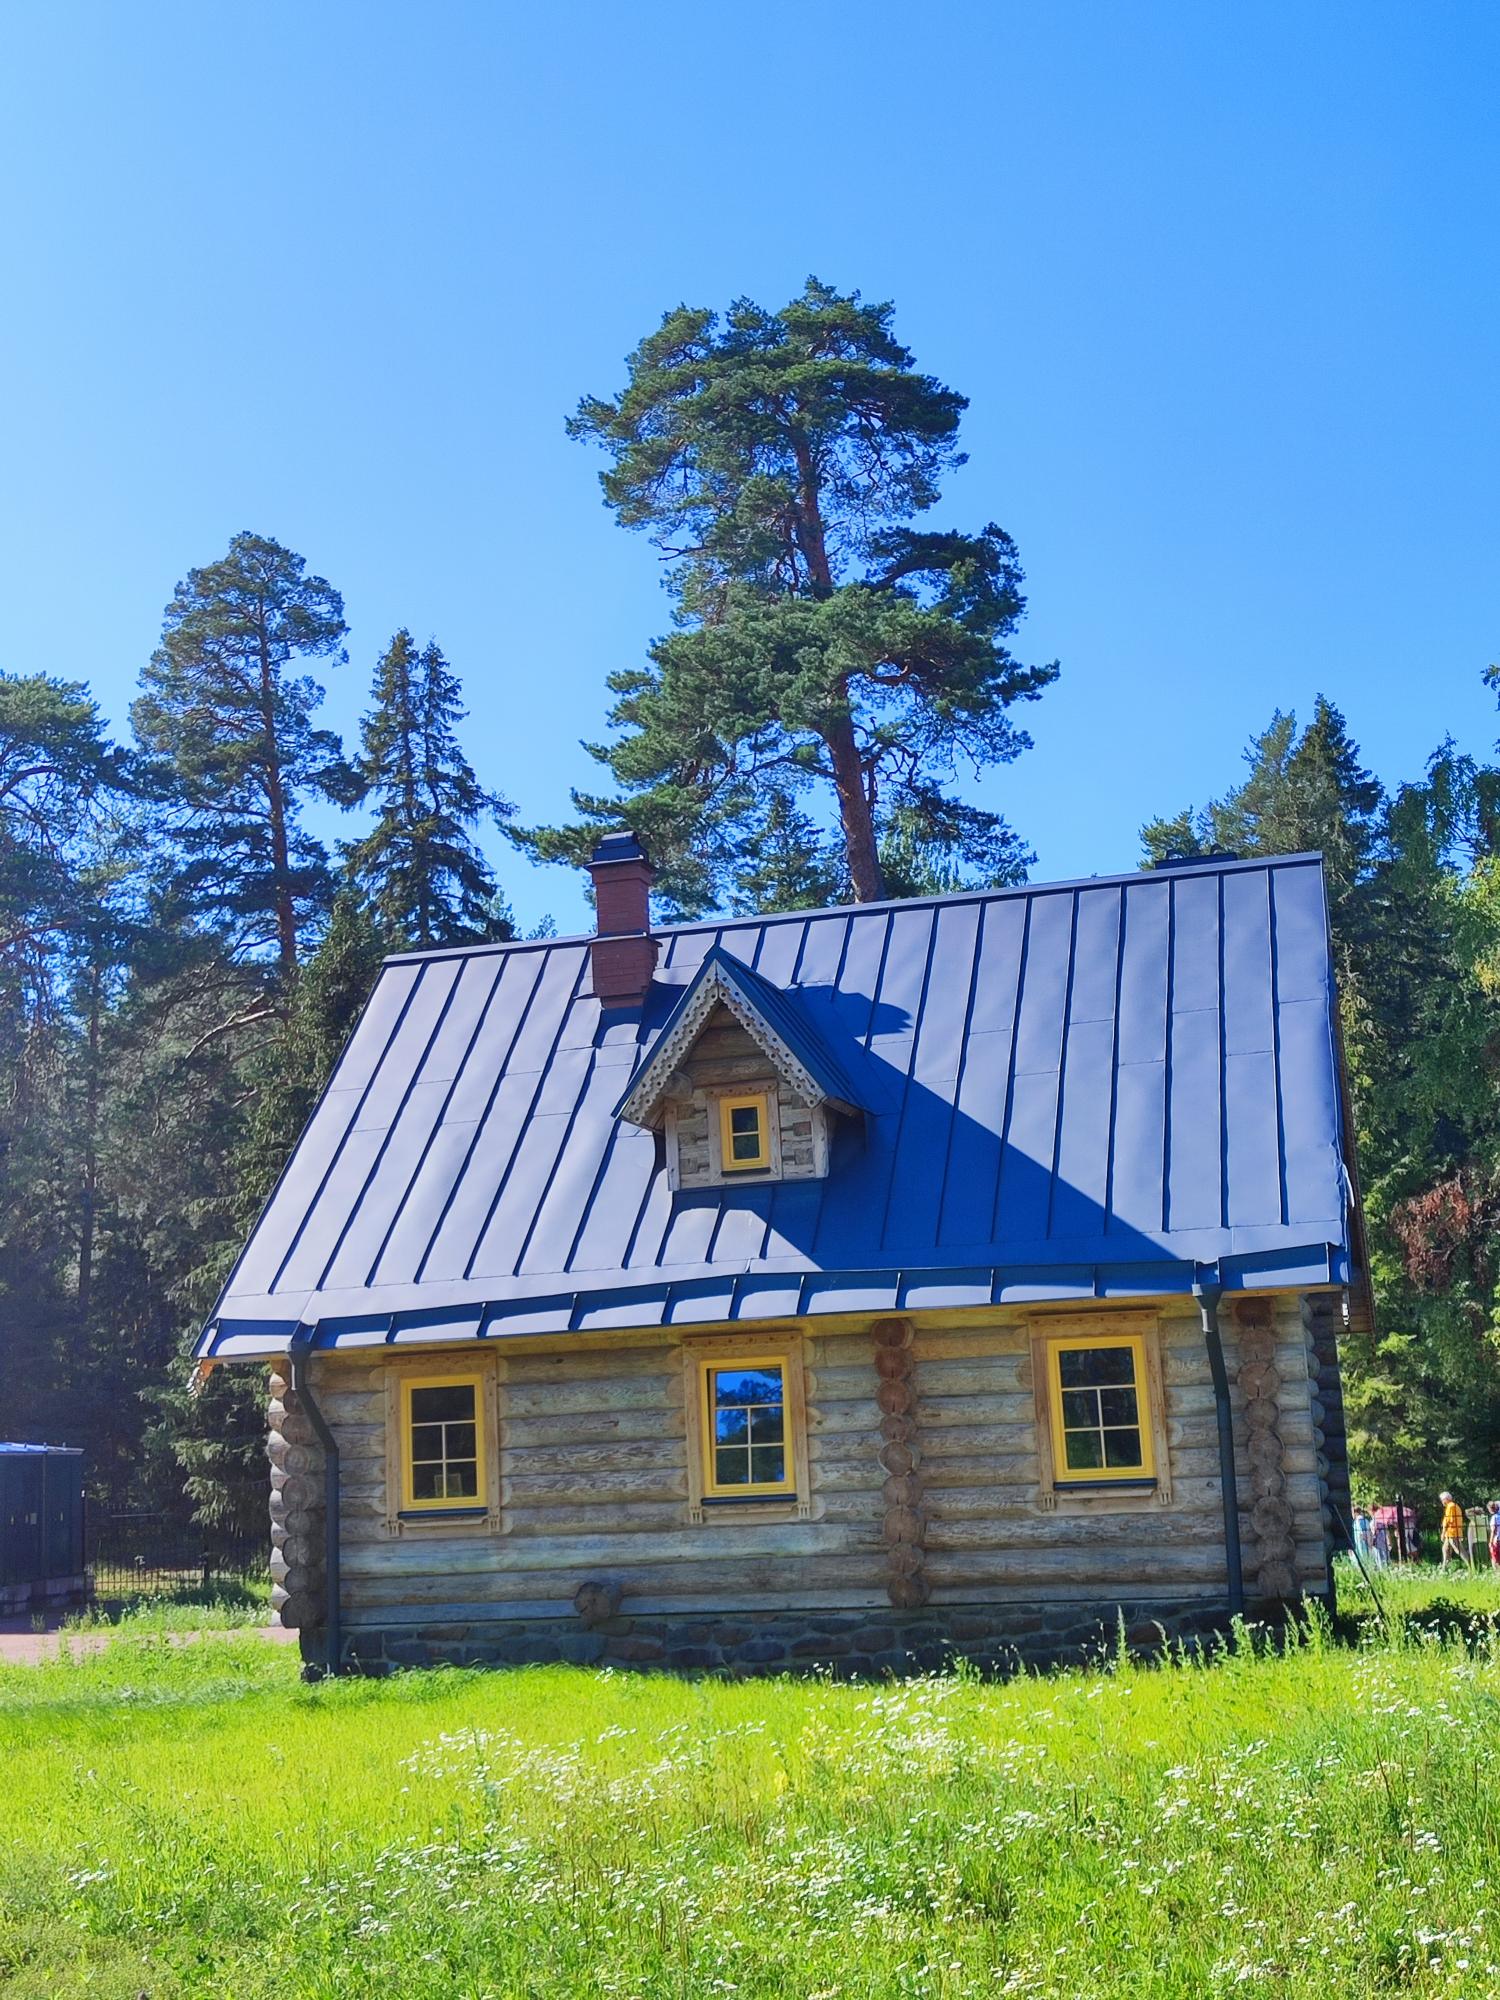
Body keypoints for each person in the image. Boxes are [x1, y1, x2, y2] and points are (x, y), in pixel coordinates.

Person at [1439, 1490, 1468, 1568]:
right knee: (1445, 1549)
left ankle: (1470, 1565)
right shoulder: (1455, 1506)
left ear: (1447, 1499)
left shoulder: (1450, 1506)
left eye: (1442, 1500)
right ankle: (1444, 1567)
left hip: (1452, 1532)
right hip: (1452, 1532)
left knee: (1458, 1549)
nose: (1442, 1502)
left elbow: (1448, 1521)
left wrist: (1443, 1533)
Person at [1488, 1501, 1500, 1571]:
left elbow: (1493, 1531)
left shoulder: (1494, 1518)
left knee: (1495, 1557)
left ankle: (1496, 1572)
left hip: (1496, 1540)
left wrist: (1490, 1542)